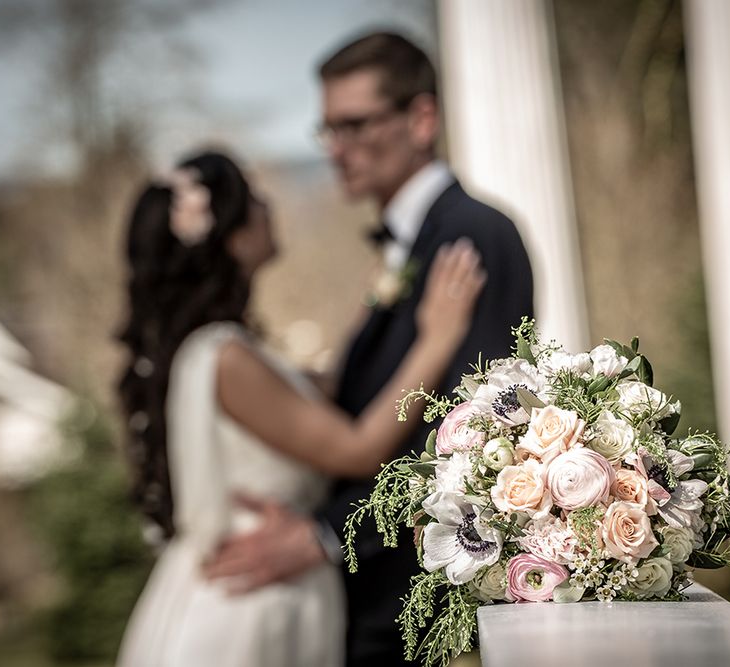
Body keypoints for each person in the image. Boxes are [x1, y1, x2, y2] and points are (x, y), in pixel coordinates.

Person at [201, 32, 535, 666]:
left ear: (422, 118)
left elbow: (472, 439)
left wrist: (325, 534)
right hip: (365, 594)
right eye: (327, 130)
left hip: (410, 592)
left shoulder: (474, 238)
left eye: (354, 125)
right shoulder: (407, 248)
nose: (337, 149)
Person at [114, 150, 485, 667]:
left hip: (269, 587)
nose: (269, 206)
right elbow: (357, 450)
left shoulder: (222, 351)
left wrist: (380, 299)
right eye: (256, 198)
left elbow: (327, 386)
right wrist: (437, 340)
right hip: (251, 602)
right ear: (235, 237)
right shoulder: (227, 358)